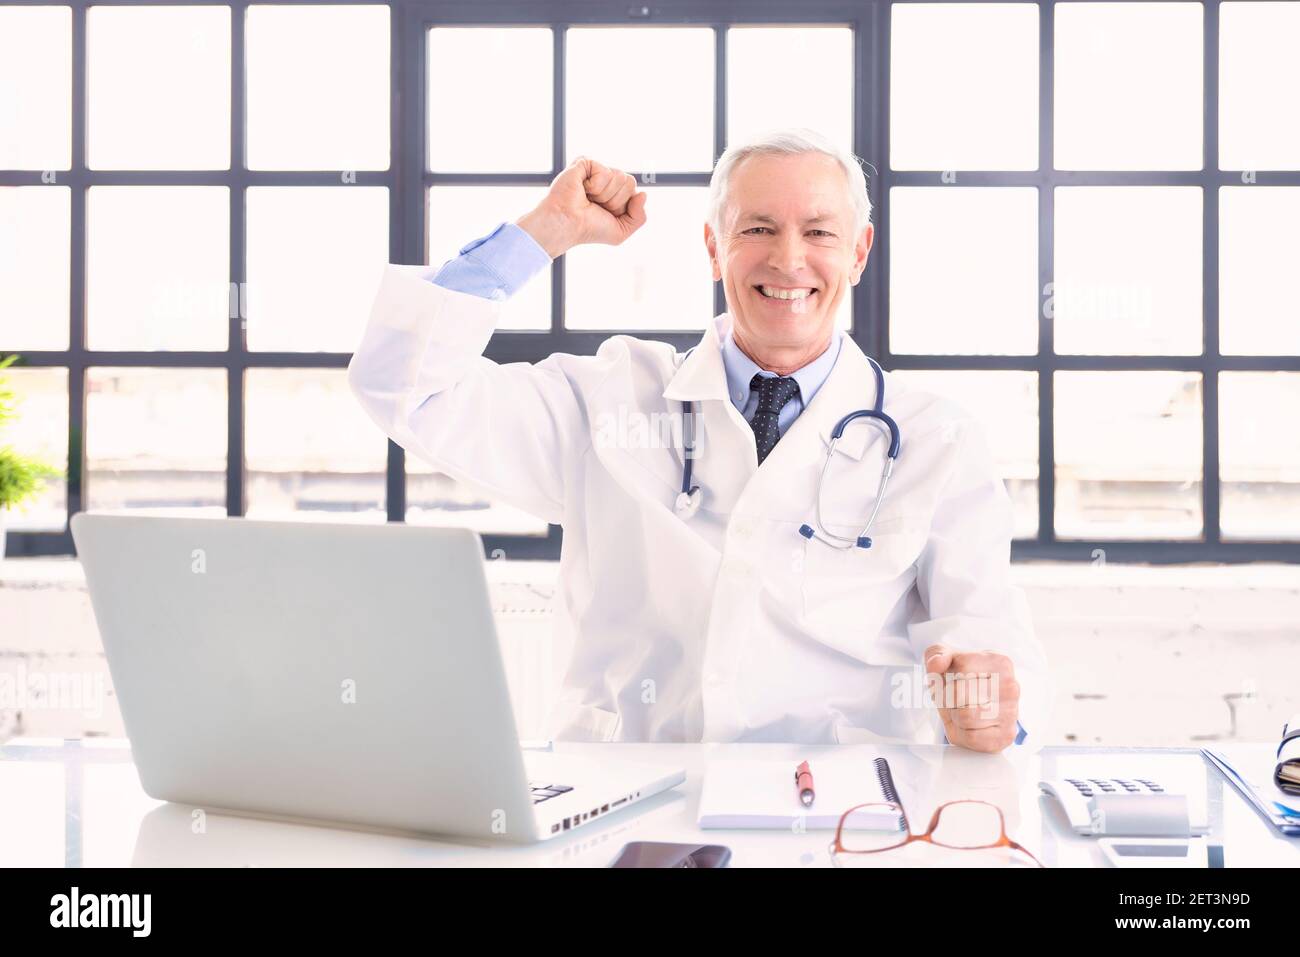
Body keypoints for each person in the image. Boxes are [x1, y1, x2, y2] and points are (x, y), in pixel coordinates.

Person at [348, 127, 1052, 751]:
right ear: (714, 248)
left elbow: (987, 646)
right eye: (756, 229)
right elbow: (401, 386)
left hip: (839, 816)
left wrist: (987, 710)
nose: (787, 259)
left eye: (819, 232)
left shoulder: (936, 438)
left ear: (860, 252)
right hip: (628, 802)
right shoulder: (610, 398)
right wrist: (545, 231)